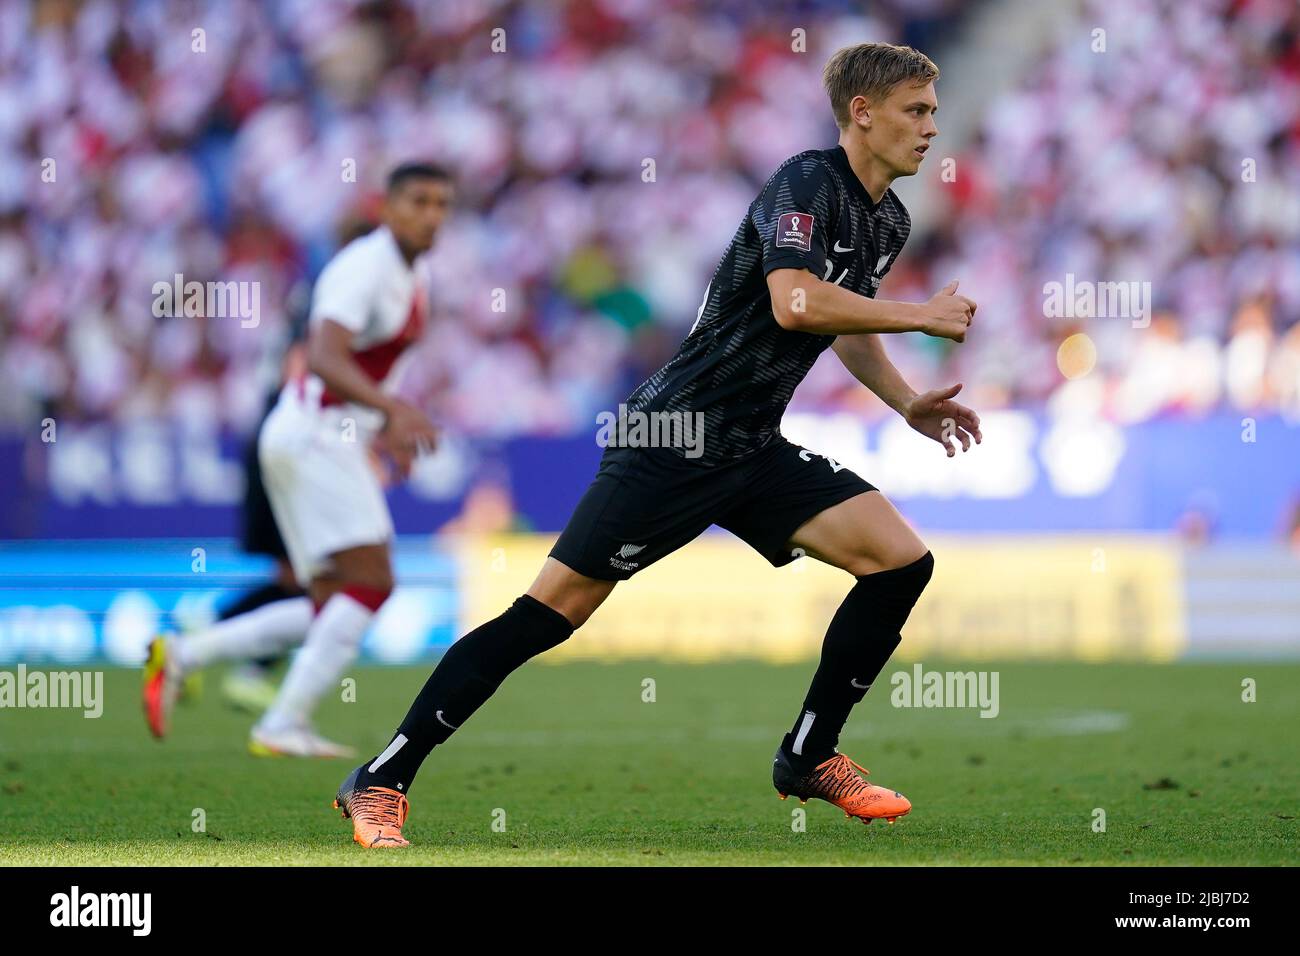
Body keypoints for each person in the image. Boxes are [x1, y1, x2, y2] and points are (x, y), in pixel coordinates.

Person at [334, 43, 980, 848]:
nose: (930, 125)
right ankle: (381, 778)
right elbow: (796, 304)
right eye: (916, 109)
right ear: (863, 113)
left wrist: (907, 400)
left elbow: (843, 324)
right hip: (671, 435)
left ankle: (809, 755)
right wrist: (919, 315)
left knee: (898, 561)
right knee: (547, 615)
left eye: (931, 108)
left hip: (750, 445)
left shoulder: (889, 219)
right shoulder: (808, 181)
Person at [142, 162, 453, 756]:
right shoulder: (363, 268)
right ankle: (282, 723)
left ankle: (184, 654)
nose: (431, 215)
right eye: (418, 201)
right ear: (386, 208)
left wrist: (380, 425)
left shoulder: (414, 276)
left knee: (329, 602)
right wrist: (392, 411)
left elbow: (361, 367)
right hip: (313, 434)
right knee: (373, 583)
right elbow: (324, 359)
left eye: (441, 204)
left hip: (318, 433)